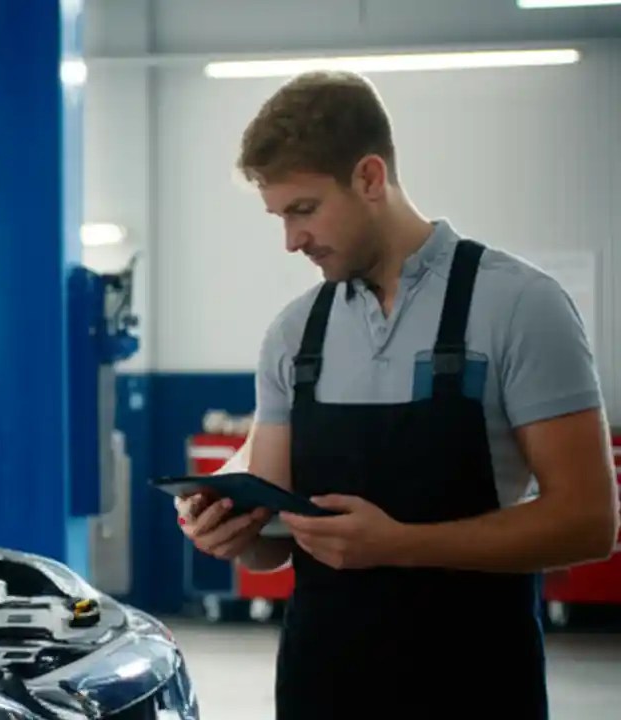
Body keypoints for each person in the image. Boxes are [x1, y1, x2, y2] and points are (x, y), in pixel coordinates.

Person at [174, 70, 618, 720]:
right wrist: (228, 529)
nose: (291, 240)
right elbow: (274, 541)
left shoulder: (519, 306)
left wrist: (399, 544)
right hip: (321, 690)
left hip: (475, 689)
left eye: (304, 209)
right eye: (279, 216)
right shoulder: (295, 334)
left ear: (370, 178)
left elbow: (588, 522)